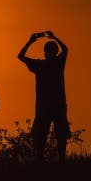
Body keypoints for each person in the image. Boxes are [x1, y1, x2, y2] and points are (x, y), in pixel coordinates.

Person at [18, 31, 71, 162]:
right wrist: (54, 38)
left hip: (50, 105)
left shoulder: (42, 64)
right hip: (51, 105)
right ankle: (50, 159)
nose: (50, 52)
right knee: (49, 134)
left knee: (53, 133)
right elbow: (65, 49)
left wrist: (30, 41)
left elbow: (21, 56)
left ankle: (50, 159)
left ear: (46, 52)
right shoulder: (56, 63)